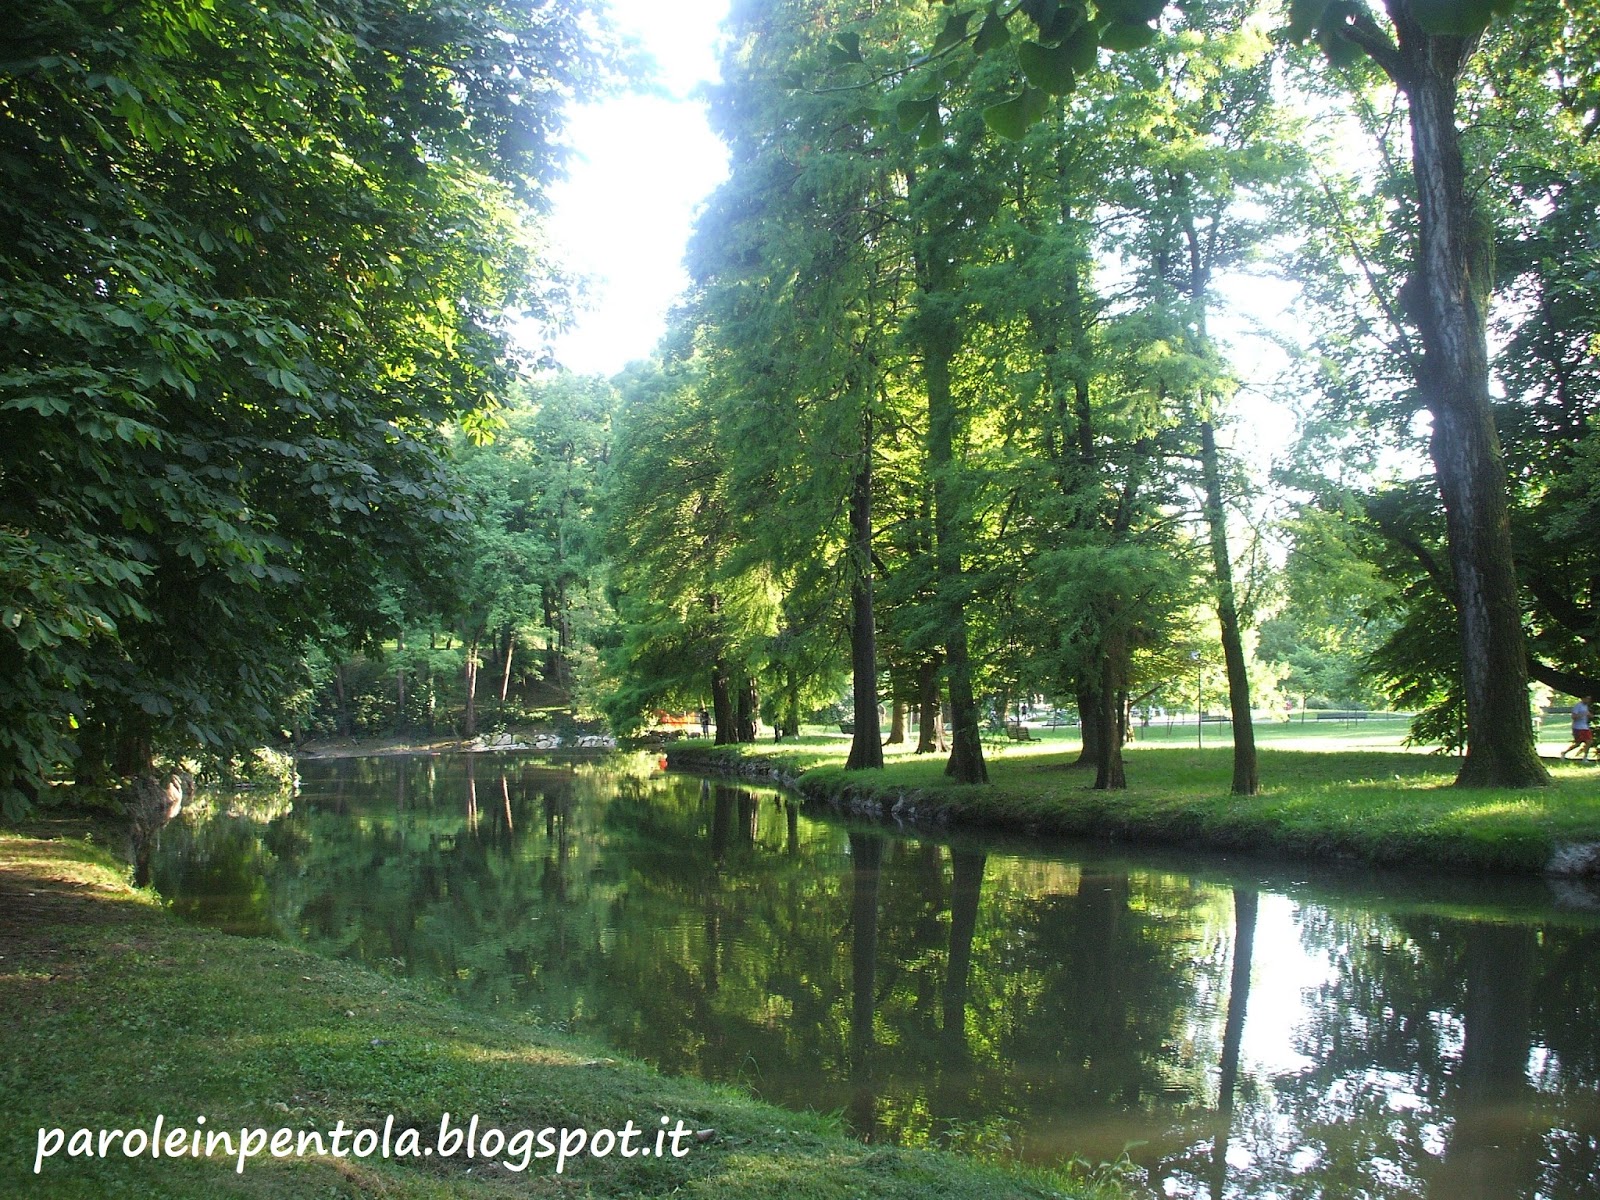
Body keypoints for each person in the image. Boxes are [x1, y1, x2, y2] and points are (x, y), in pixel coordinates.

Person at [1560, 695, 1594, 760]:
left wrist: (1590, 715)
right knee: (1578, 743)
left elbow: (1589, 715)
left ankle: (1585, 757)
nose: (1588, 700)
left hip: (1585, 727)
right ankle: (1564, 753)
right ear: (1583, 698)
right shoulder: (1578, 706)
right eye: (1587, 698)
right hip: (1578, 727)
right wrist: (1582, 715)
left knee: (1589, 741)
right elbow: (1573, 717)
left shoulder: (1585, 706)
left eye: (1589, 699)